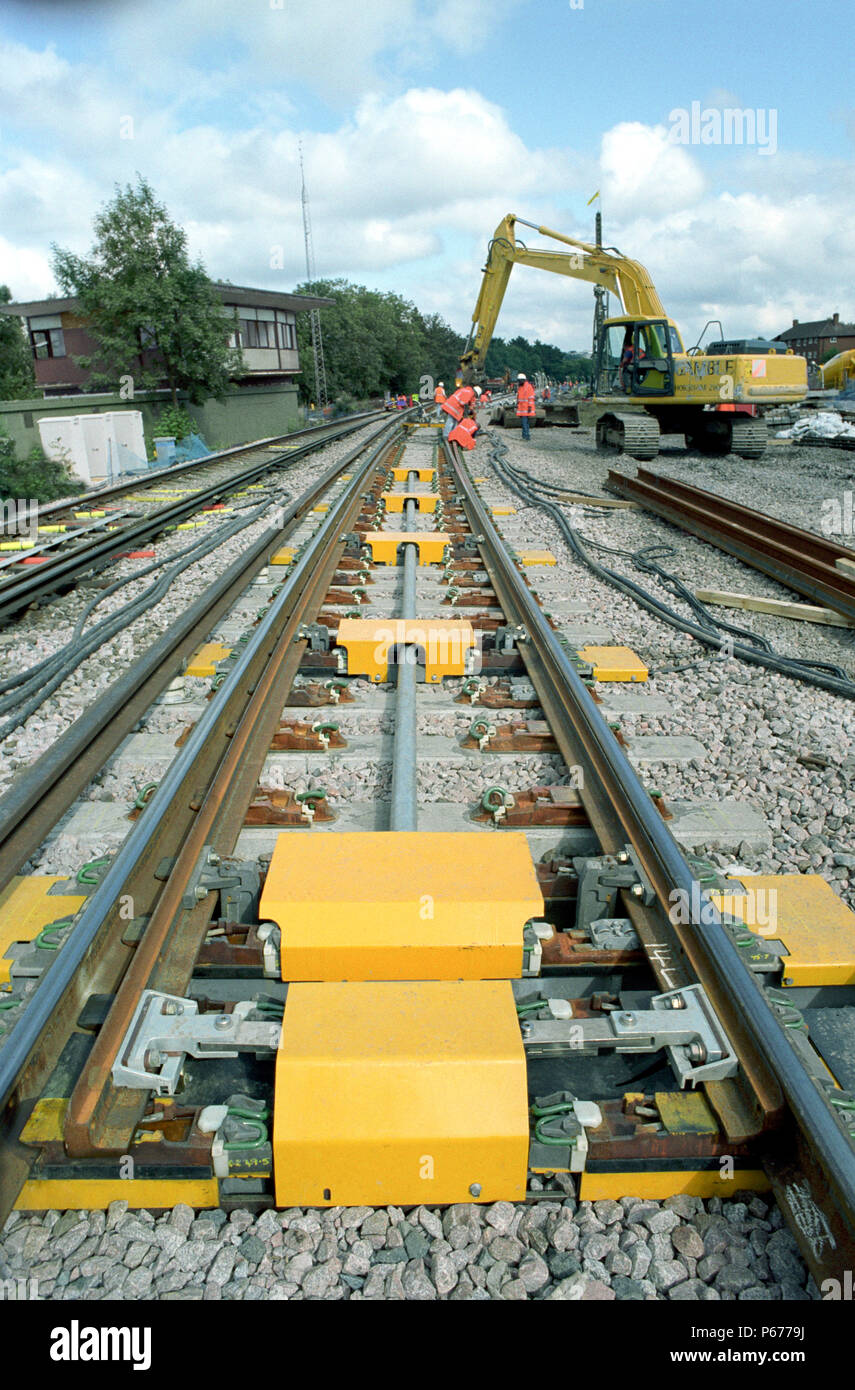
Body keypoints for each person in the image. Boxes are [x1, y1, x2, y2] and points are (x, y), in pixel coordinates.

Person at [515, 373, 536, 440]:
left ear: (523, 380)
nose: (518, 382)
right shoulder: (521, 387)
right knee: (525, 423)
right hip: (522, 408)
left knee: (524, 423)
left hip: (525, 408)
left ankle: (525, 436)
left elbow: (531, 397)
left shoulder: (528, 387)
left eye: (519, 381)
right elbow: (519, 397)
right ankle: (526, 436)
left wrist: (529, 406)